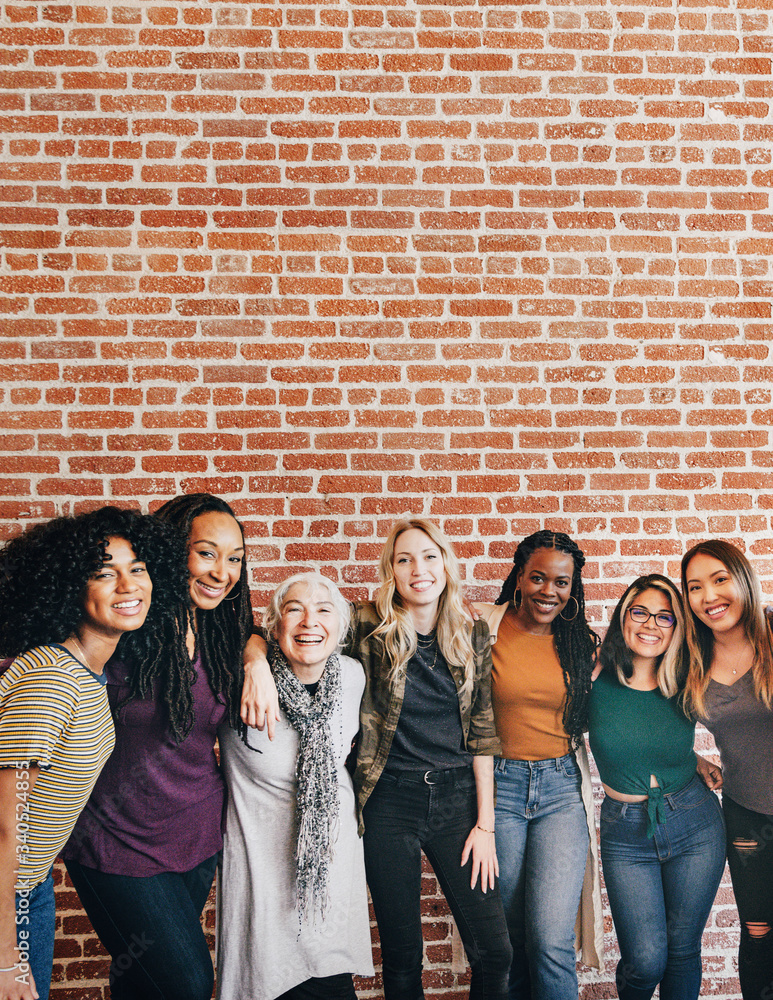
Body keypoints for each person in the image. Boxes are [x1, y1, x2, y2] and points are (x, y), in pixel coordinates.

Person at [241, 518, 512, 1000]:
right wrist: (255, 662)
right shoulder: (366, 625)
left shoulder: (471, 634)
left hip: (458, 803)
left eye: (429, 556)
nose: (418, 569)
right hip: (388, 801)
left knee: (495, 951)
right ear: (391, 570)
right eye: (404, 559)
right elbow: (291, 630)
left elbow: (484, 734)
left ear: (446, 565)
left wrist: (485, 825)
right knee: (403, 953)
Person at [63, 494, 252, 1000]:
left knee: (141, 979)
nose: (223, 572)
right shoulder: (123, 624)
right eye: (207, 553)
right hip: (115, 841)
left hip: (195, 836)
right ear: (171, 553)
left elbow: (265, 634)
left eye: (234, 558)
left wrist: (254, 658)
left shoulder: (223, 632)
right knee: (187, 982)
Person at [0, 505, 182, 1000]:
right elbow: (2, 826)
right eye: (105, 573)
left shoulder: (87, 674)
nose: (129, 585)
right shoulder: (52, 680)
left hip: (26, 886)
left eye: (138, 569)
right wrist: (4, 960)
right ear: (68, 588)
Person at [217, 572, 373, 1000]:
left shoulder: (353, 676)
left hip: (330, 864)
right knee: (268, 981)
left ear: (340, 628)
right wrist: (253, 659)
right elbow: (227, 629)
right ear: (274, 625)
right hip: (260, 866)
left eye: (324, 611)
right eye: (294, 610)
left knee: (331, 980)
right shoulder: (241, 681)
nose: (310, 622)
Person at [473, 529, 602, 1000]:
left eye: (562, 582)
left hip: (561, 790)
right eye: (538, 578)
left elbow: (622, 706)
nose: (549, 591)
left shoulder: (581, 643)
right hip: (499, 790)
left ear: (573, 588)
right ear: (519, 576)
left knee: (551, 940)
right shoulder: (483, 627)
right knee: (506, 942)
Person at [588, 574, 725, 1000]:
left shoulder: (690, 675)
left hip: (695, 823)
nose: (651, 624)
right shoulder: (592, 672)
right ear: (623, 617)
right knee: (645, 961)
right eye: (640, 612)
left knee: (682, 951)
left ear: (677, 628)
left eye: (665, 617)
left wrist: (696, 760)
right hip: (625, 833)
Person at [681, 540, 773, 1000]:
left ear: (743, 579)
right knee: (759, 933)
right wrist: (691, 759)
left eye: (719, 579)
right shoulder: (688, 660)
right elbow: (648, 720)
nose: (709, 596)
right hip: (747, 813)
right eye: (695, 587)